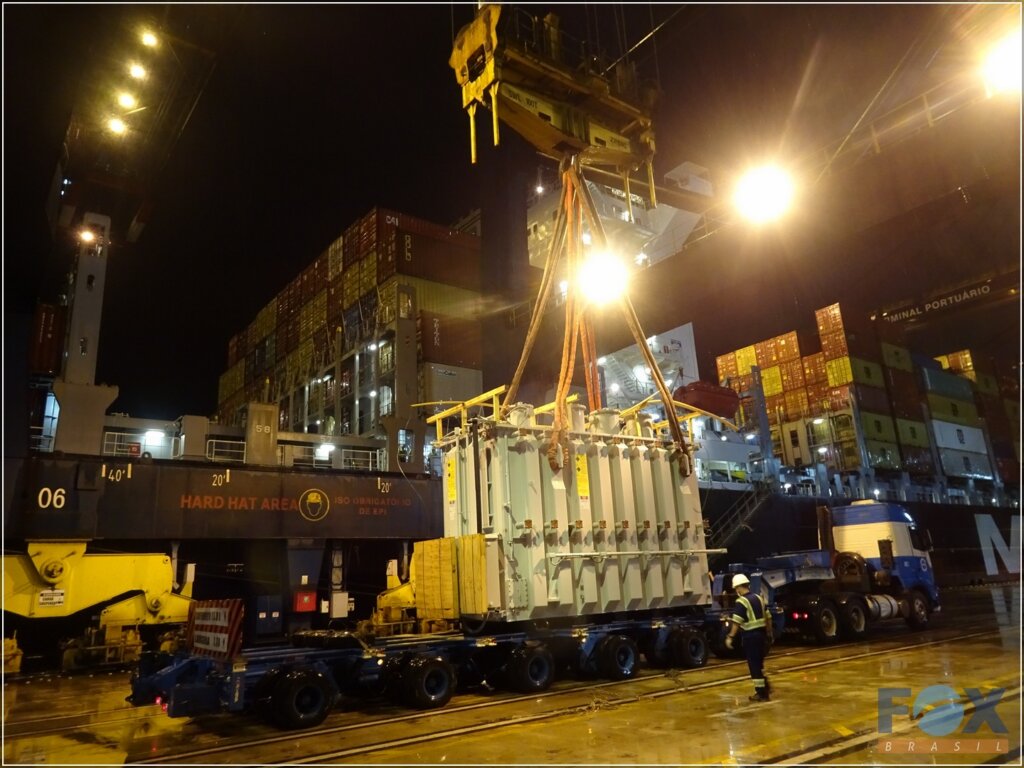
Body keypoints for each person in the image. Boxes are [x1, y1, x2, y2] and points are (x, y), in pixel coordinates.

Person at [725, 573, 773, 702]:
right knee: (759, 663)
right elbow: (768, 617)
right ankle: (765, 687)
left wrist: (730, 637)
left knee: (754, 665)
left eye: (736, 588)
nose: (736, 591)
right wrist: (769, 633)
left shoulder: (741, 601)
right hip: (762, 635)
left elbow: (737, 622)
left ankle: (761, 693)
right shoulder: (759, 598)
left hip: (751, 637)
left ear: (739, 587)